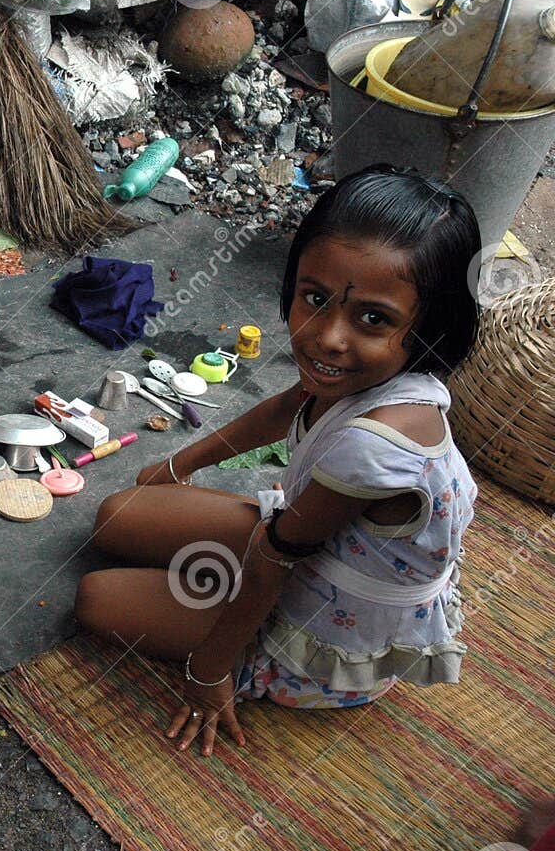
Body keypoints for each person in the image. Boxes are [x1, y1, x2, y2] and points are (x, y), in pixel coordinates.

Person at [76, 165, 481, 757]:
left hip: (316, 626)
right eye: (314, 299)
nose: (327, 337)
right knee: (118, 515)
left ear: (428, 329)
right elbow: (284, 408)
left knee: (96, 599)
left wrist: (212, 671)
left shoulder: (378, 445)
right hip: (309, 548)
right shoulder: (354, 376)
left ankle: (253, 663)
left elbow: (275, 560)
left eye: (373, 318)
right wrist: (174, 468)